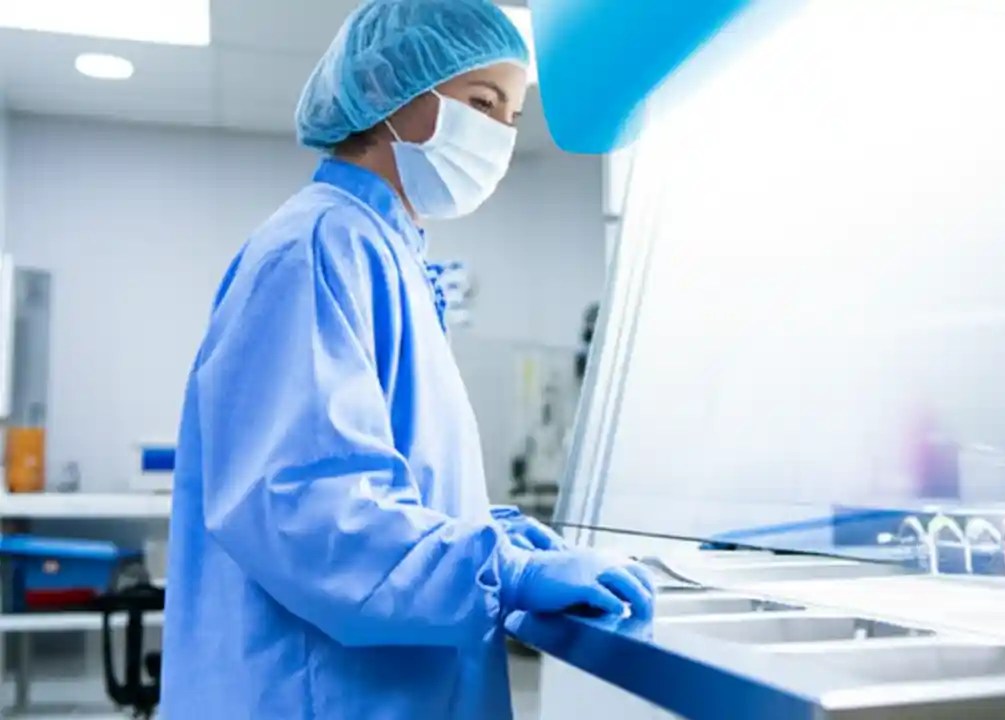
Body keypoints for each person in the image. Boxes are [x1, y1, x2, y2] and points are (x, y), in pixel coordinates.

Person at [160, 1, 654, 717]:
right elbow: (310, 510)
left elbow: (405, 487)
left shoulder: (386, 255)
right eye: (481, 103)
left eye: (512, 116)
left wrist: (503, 536)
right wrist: (503, 570)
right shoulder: (318, 247)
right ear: (386, 87)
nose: (498, 134)